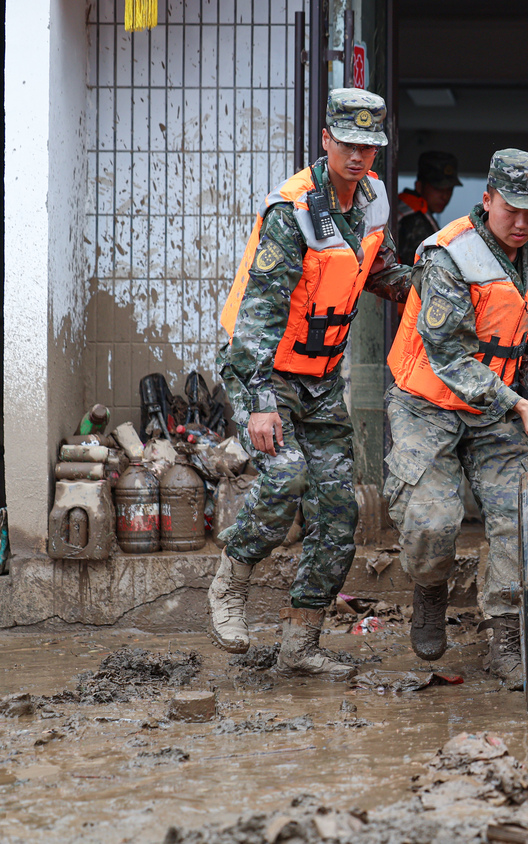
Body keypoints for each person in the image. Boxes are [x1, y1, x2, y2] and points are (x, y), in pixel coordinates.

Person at [211, 89, 412, 680]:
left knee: (339, 510)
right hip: (266, 368)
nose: (358, 155)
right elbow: (259, 312)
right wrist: (259, 403)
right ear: (326, 140)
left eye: (369, 146)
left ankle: (301, 644)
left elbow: (379, 270)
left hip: (322, 377)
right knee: (285, 474)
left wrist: (435, 285)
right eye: (348, 143)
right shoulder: (292, 210)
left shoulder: (372, 201)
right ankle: (229, 582)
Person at [384, 149, 528, 689]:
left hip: (498, 409)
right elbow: (448, 354)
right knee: (432, 521)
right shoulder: (447, 256)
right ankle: (430, 588)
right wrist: (518, 402)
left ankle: (507, 635)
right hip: (427, 403)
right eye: (512, 209)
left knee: (516, 518)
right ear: (486, 200)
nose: (523, 223)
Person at [396, 150, 462, 263]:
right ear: (419, 186)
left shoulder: (408, 211)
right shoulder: (414, 220)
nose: (445, 196)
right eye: (438, 189)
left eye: (449, 189)